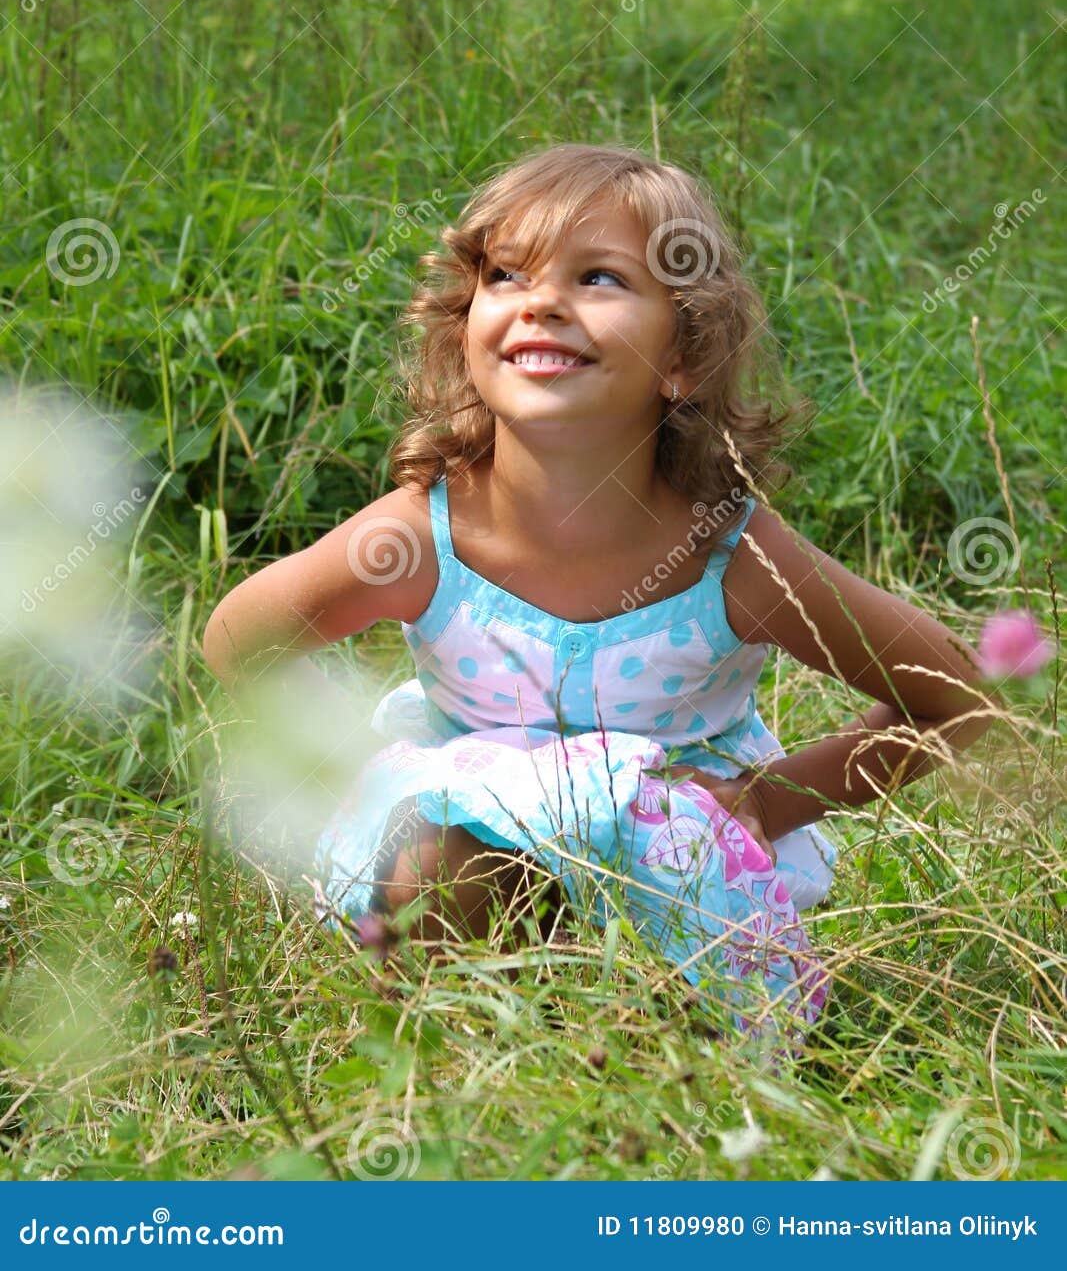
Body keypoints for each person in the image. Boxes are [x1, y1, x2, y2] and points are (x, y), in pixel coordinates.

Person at [201, 143, 995, 1052]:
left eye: (599, 278)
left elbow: (957, 696)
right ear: (465, 329)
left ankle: (648, 1070)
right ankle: (461, 1060)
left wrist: (763, 801)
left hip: (677, 877)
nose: (541, 301)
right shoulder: (421, 537)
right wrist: (353, 775)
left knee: (670, 1032)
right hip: (470, 860)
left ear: (682, 356)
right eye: (506, 274)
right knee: (437, 857)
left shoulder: (728, 556)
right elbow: (239, 642)